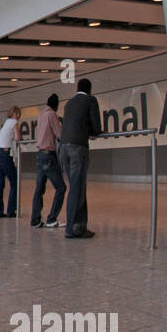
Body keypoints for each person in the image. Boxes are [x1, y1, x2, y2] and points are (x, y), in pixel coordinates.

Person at [59, 78, 101, 239]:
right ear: (90, 89)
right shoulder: (90, 100)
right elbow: (96, 127)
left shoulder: (69, 103)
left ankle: (80, 226)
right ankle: (71, 228)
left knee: (77, 186)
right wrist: (91, 130)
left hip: (64, 148)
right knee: (77, 188)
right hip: (78, 148)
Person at [30, 94, 66, 228]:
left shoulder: (41, 115)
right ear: (56, 105)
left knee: (39, 189)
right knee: (61, 187)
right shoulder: (52, 115)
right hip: (49, 156)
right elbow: (59, 135)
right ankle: (52, 219)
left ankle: (35, 220)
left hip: (40, 154)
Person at [0, 105, 20, 218]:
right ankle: (11, 210)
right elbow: (18, 138)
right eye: (16, 113)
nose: (18, 115)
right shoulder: (14, 122)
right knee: (14, 182)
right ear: (13, 114)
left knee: (0, 183)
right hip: (5, 154)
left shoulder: (6, 123)